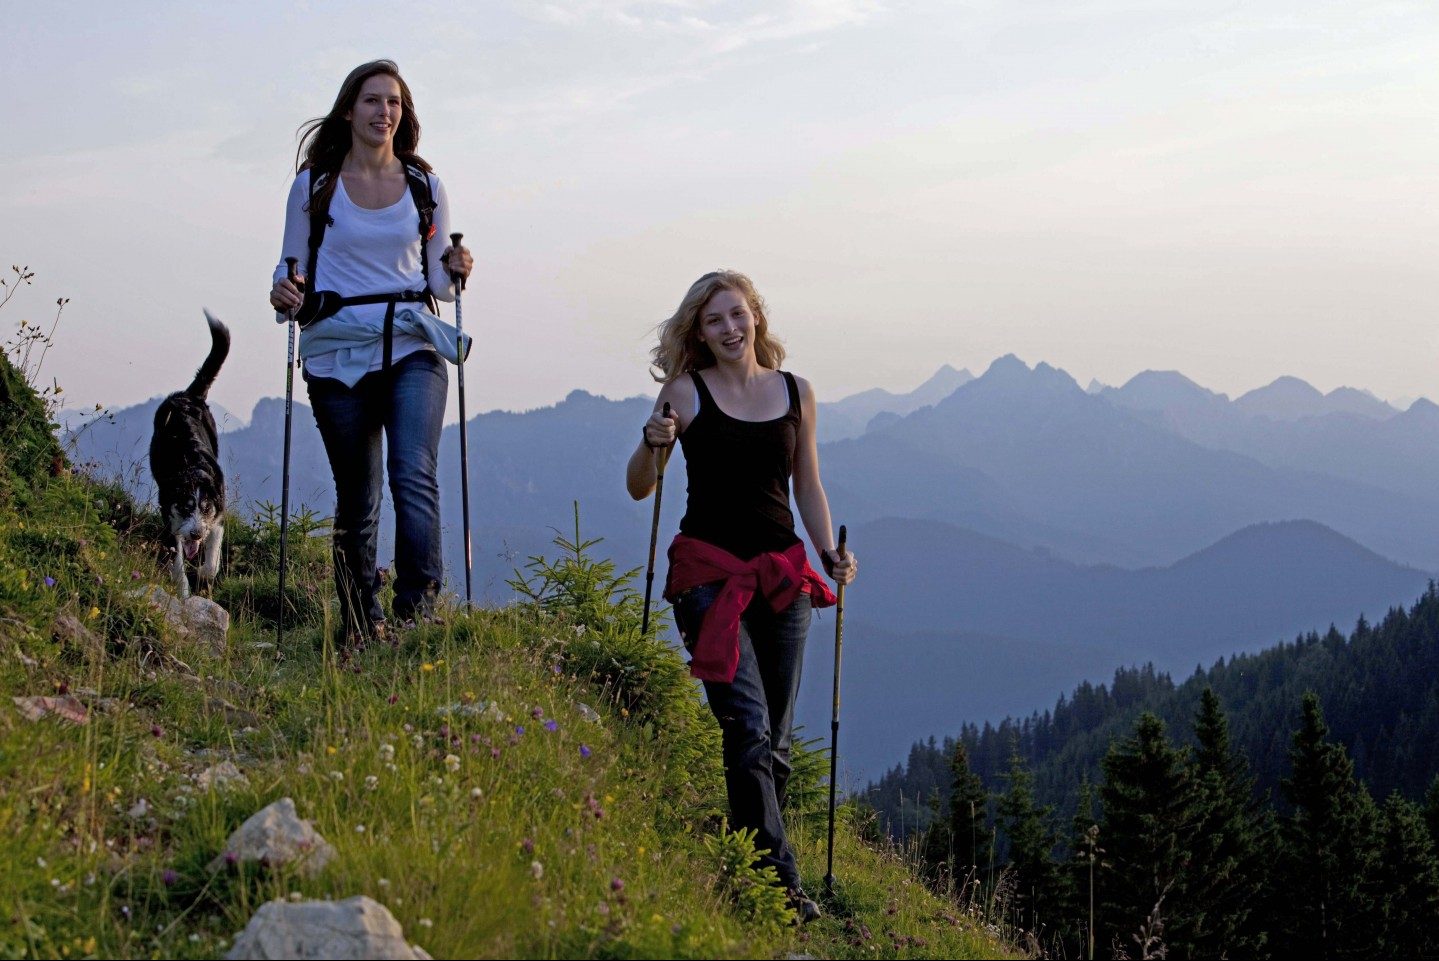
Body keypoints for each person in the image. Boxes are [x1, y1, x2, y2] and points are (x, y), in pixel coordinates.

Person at [626, 270, 858, 922]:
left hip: (782, 577)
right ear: (698, 333)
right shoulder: (685, 392)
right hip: (707, 577)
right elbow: (640, 486)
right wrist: (650, 444)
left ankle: (746, 859)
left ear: (756, 315)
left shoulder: (796, 392)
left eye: (737, 314)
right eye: (714, 321)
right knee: (748, 727)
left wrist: (828, 554)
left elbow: (806, 484)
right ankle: (781, 890)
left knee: (774, 743)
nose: (729, 329)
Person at [269, 60, 473, 649]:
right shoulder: (315, 185)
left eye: (394, 103)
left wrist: (458, 268)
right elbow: (291, 267)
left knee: (412, 473)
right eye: (373, 100)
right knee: (358, 495)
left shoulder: (426, 186)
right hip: (338, 352)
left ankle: (416, 616)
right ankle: (361, 619)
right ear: (349, 110)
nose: (385, 112)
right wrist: (285, 292)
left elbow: (439, 286)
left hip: (412, 344)